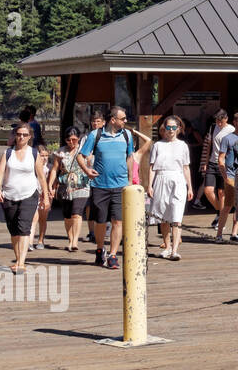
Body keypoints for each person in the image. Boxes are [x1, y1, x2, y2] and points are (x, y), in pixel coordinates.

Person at [77, 105, 135, 271]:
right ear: (113, 120)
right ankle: (100, 249)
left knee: (118, 221)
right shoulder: (96, 135)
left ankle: (113, 255)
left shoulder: (127, 135)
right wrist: (87, 171)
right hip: (100, 185)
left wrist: (130, 180)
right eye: (122, 118)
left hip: (120, 185)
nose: (125, 121)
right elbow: (80, 156)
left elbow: (130, 157)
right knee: (100, 221)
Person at [0, 123, 48, 274]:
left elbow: (41, 176)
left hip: (29, 194)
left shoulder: (34, 153)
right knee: (14, 230)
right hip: (9, 195)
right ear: (15, 135)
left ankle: (21, 263)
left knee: (24, 228)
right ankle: (18, 259)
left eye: (25, 135)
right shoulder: (7, 153)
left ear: (29, 137)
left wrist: (46, 196)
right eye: (19, 134)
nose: (21, 137)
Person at [148, 116, 192, 260]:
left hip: (178, 179)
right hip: (161, 178)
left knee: (176, 215)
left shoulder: (183, 145)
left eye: (174, 127)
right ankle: (166, 246)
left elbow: (186, 167)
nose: (171, 130)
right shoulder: (157, 145)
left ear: (179, 129)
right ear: (164, 128)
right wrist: (150, 185)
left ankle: (175, 250)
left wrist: (190, 187)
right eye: (169, 127)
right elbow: (152, 167)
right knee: (163, 215)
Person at [51, 127, 91, 252]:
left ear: (79, 138)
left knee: (76, 213)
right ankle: (70, 238)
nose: (71, 142)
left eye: (74, 139)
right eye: (68, 140)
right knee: (67, 215)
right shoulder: (60, 152)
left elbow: (90, 164)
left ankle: (75, 241)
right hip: (65, 185)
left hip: (81, 184)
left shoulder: (84, 151)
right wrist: (50, 185)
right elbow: (54, 169)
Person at [215, 111, 238, 240]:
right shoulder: (227, 139)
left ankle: (234, 233)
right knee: (228, 205)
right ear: (234, 123)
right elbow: (221, 158)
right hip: (231, 176)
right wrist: (225, 176)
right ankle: (219, 234)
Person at [202, 111, 234, 222]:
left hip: (224, 164)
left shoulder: (231, 130)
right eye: (217, 121)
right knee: (208, 190)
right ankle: (220, 212)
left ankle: (221, 220)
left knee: (221, 192)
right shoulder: (213, 127)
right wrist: (205, 162)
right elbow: (209, 145)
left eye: (221, 121)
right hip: (212, 161)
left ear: (226, 119)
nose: (219, 123)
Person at [29, 144, 54, 249]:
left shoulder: (50, 167)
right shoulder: (32, 166)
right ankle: (29, 242)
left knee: (43, 219)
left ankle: (40, 240)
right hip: (34, 193)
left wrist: (52, 190)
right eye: (42, 155)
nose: (44, 158)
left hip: (46, 195)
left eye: (46, 155)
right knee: (33, 218)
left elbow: (54, 181)